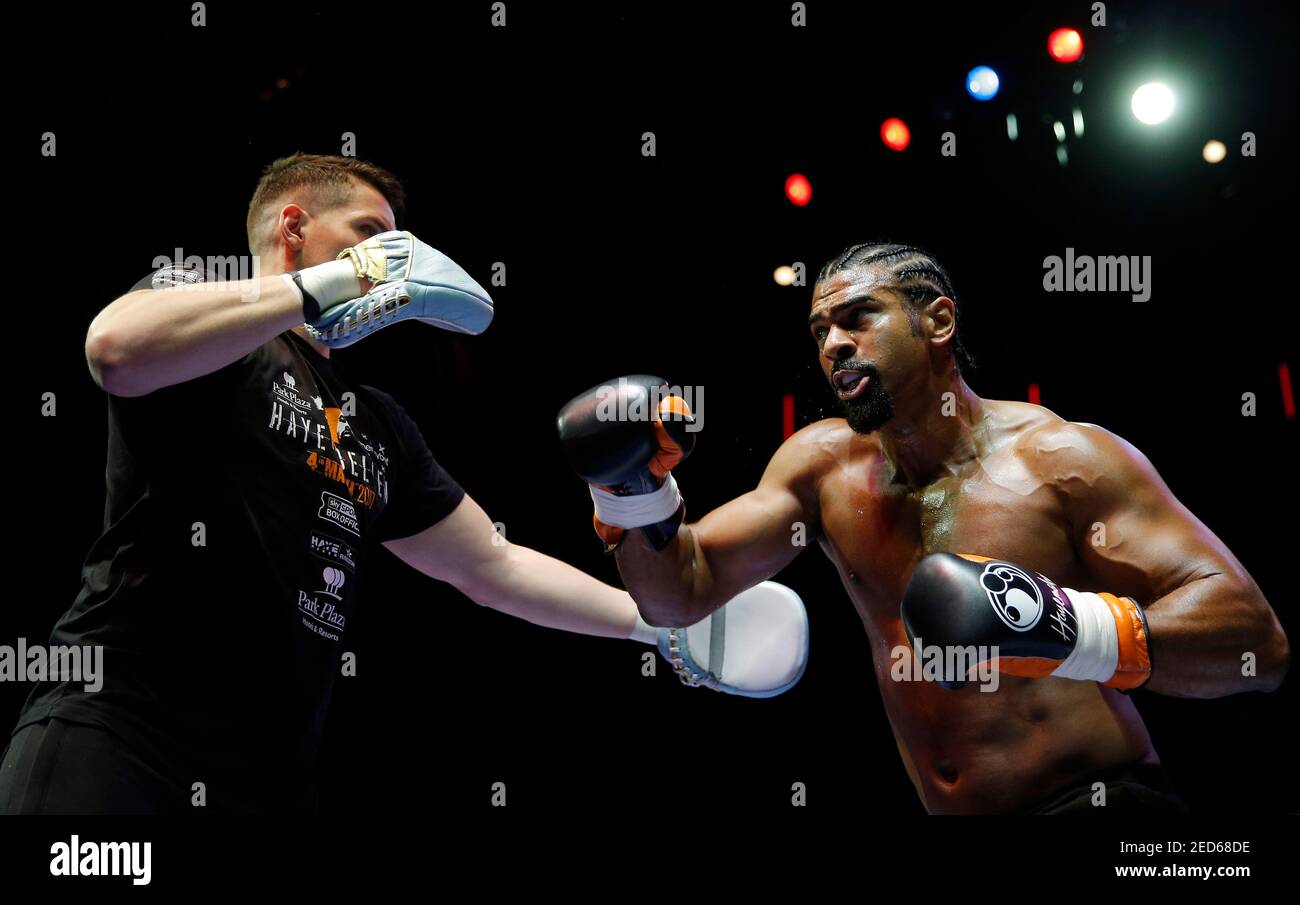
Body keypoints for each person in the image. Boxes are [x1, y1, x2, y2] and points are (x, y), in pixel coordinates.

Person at [0, 153, 804, 814]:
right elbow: (114, 349)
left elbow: (491, 567)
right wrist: (323, 287)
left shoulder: (373, 420)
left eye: (398, 243)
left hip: (262, 779)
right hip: (115, 739)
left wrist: (656, 629)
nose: (396, 261)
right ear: (293, 228)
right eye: (372, 235)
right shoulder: (203, 325)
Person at [558, 242, 1289, 814]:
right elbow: (679, 594)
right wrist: (633, 492)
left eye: (857, 318)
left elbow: (1257, 642)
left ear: (937, 320)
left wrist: (1065, 627)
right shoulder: (818, 467)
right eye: (819, 330)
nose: (833, 345)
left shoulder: (1060, 457)